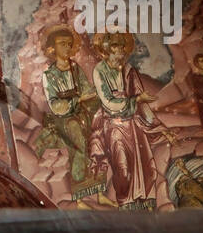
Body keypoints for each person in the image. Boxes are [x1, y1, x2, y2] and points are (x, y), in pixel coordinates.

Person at [88, 33, 177, 209]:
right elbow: (108, 103)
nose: (120, 52)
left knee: (145, 167)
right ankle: (125, 205)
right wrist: (134, 100)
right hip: (113, 125)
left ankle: (145, 205)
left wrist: (161, 128)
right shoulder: (100, 70)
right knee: (123, 169)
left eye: (122, 48)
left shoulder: (129, 70)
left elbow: (143, 105)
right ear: (107, 50)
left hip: (134, 126)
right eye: (116, 48)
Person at [32, 27, 100, 196]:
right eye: (62, 44)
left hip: (81, 111)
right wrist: (78, 99)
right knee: (75, 128)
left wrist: (95, 93)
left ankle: (98, 165)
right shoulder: (50, 74)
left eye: (69, 44)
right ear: (52, 48)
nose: (67, 47)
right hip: (62, 118)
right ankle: (79, 178)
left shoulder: (75, 69)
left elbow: (86, 89)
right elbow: (55, 105)